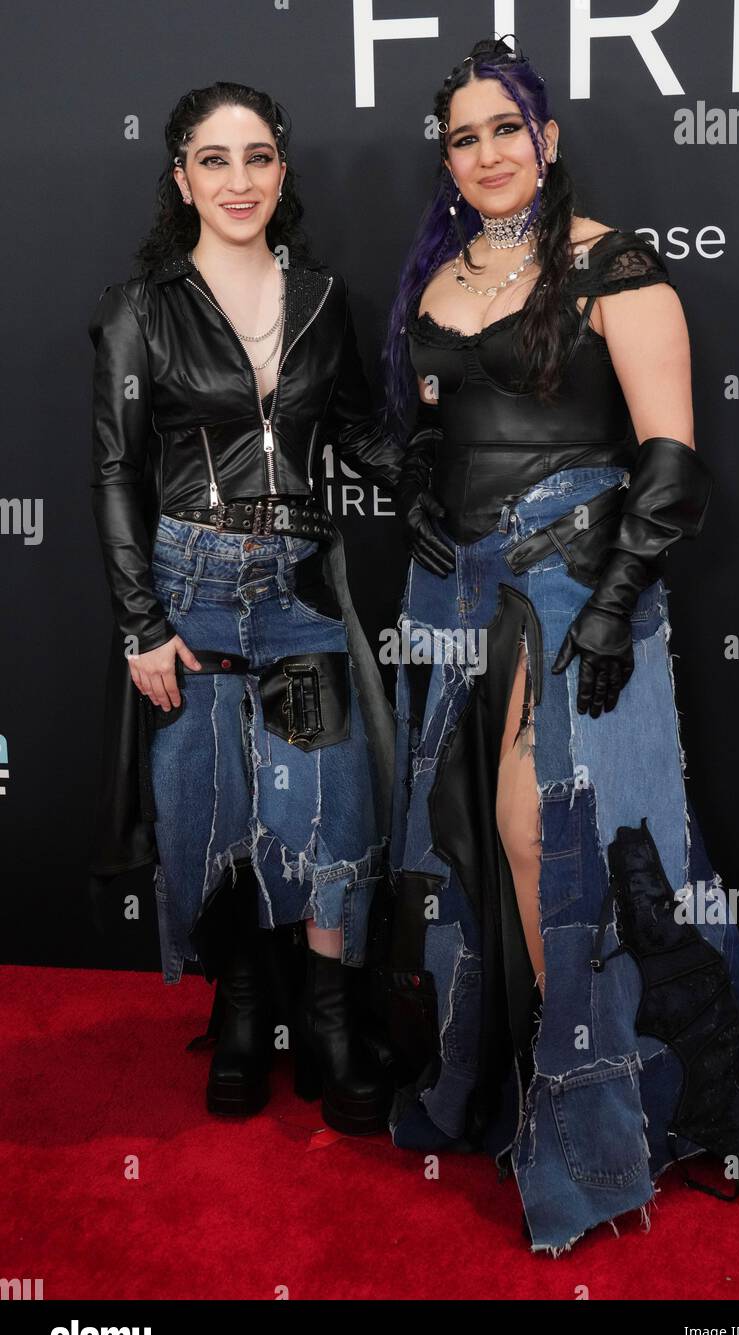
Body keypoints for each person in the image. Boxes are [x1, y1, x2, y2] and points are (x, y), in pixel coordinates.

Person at [381, 36, 739, 1253]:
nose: (487, 153)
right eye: (463, 136)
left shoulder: (614, 265)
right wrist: (415, 483)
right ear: (443, 159)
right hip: (456, 595)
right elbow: (446, 432)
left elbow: (669, 461)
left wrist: (609, 603)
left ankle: (614, 1111)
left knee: (556, 836)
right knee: (462, 840)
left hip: (583, 581)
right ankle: (534, 1083)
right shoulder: (434, 281)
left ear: (544, 138)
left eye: (507, 128)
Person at [88, 82, 403, 1134]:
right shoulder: (143, 309)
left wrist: (468, 444)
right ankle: (242, 1008)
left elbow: (358, 433)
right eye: (213, 159)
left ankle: (324, 1018)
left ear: (282, 173)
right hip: (193, 582)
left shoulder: (319, 297)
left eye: (257, 157)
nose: (237, 179)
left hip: (303, 583)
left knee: (330, 813)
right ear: (179, 177)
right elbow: (116, 473)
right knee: (212, 813)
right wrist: (141, 620)